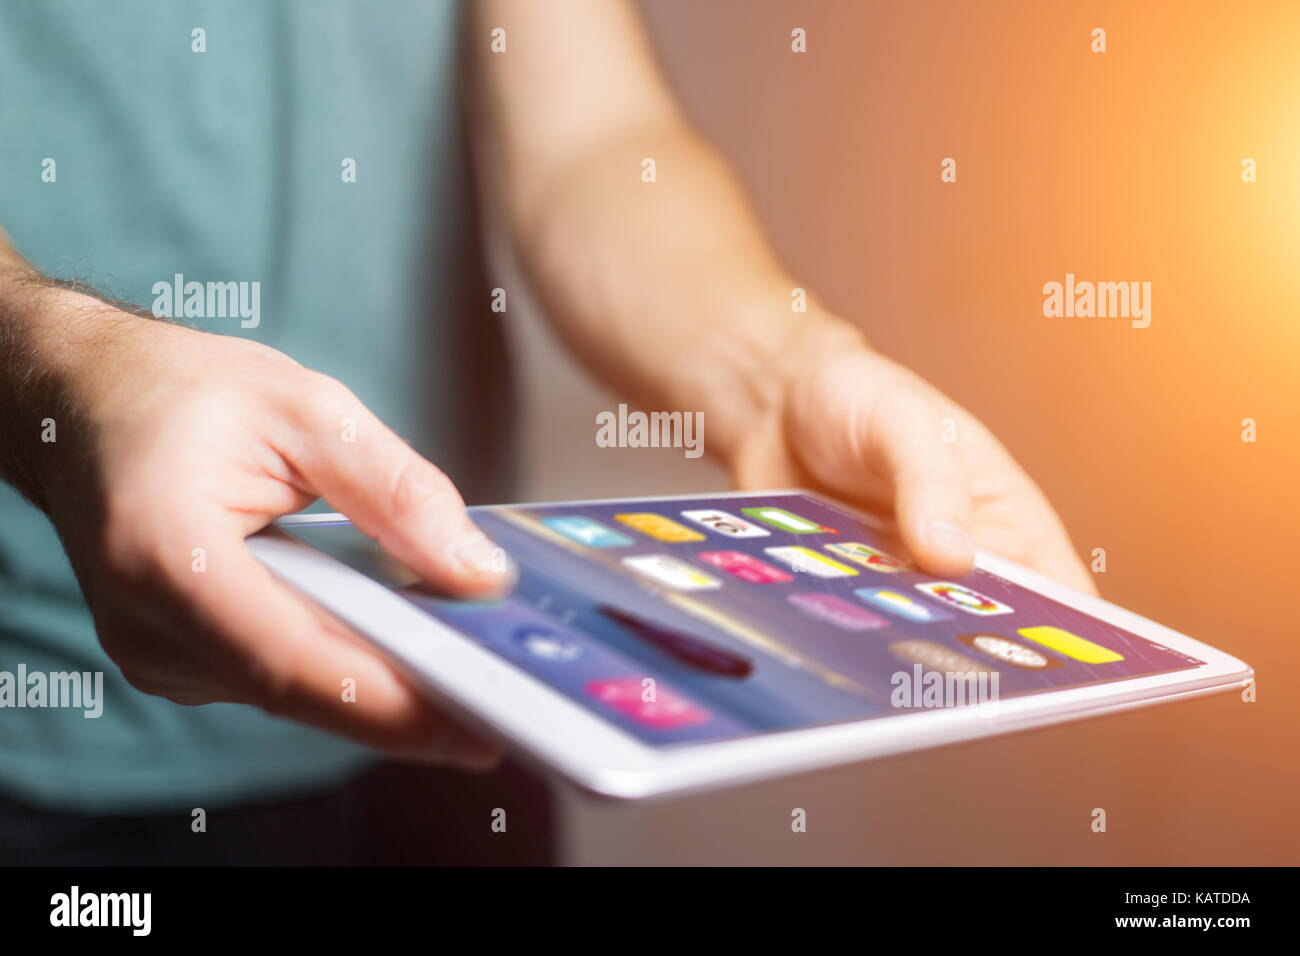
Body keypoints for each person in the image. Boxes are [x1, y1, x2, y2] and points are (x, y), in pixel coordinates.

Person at [0, 0, 1092, 863]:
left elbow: (596, 137)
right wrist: (59, 371)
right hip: (45, 767)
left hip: (476, 682)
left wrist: (783, 372)